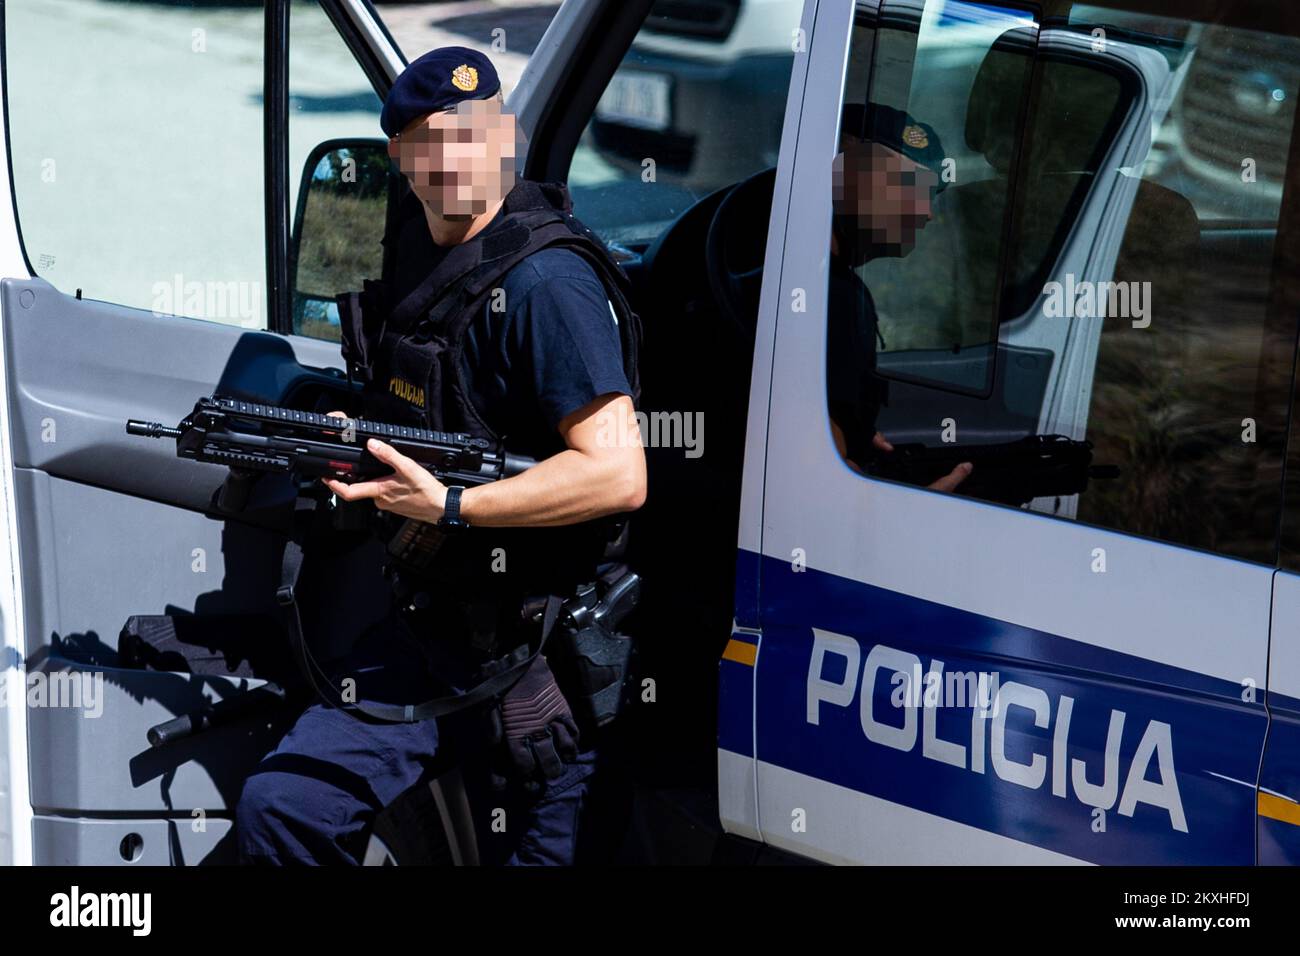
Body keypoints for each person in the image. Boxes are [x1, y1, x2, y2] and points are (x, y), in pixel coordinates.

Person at [235, 47, 646, 865]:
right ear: (401, 157)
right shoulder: (414, 247)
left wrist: (453, 507)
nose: (458, 157)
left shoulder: (546, 285)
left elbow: (618, 474)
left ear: (505, 135)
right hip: (432, 631)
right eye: (432, 140)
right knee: (284, 809)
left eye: (474, 132)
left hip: (547, 654)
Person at [827, 103, 972, 492]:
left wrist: (852, 433)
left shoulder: (826, 284)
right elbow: (829, 486)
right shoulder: (834, 301)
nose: (926, 213)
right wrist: (921, 504)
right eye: (910, 189)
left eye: (932, 195)